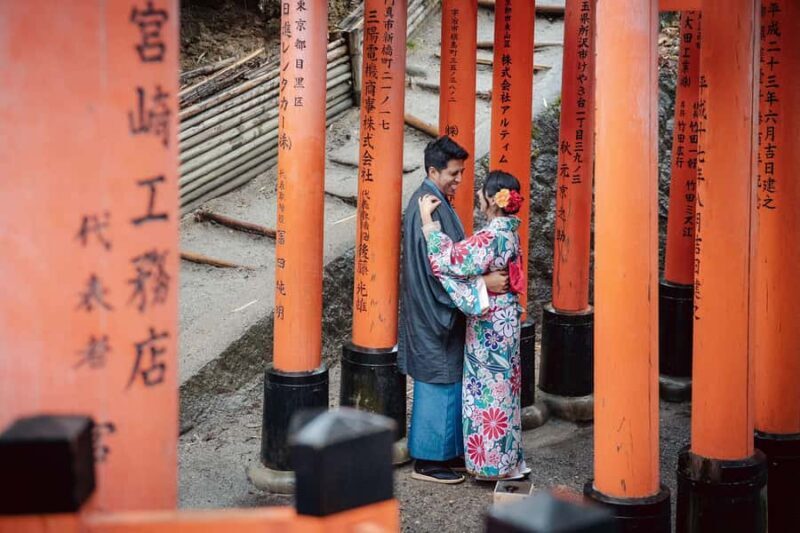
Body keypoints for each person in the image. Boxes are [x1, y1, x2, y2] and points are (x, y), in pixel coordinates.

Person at [398, 136, 509, 484]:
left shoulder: (431, 202)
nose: (460, 179)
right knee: (438, 381)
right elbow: (443, 266)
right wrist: (482, 286)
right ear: (433, 170)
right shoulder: (427, 205)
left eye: (462, 172)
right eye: (454, 173)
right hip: (435, 306)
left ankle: (447, 452)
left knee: (447, 380)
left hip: (435, 304)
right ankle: (428, 460)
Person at [418, 170, 529, 481]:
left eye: (482, 192)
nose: (478, 196)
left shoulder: (490, 236)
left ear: (493, 200)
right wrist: (484, 280)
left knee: (487, 393)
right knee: (505, 391)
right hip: (505, 318)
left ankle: (490, 464)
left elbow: (449, 260)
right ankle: (508, 460)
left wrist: (429, 224)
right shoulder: (509, 231)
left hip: (489, 325)